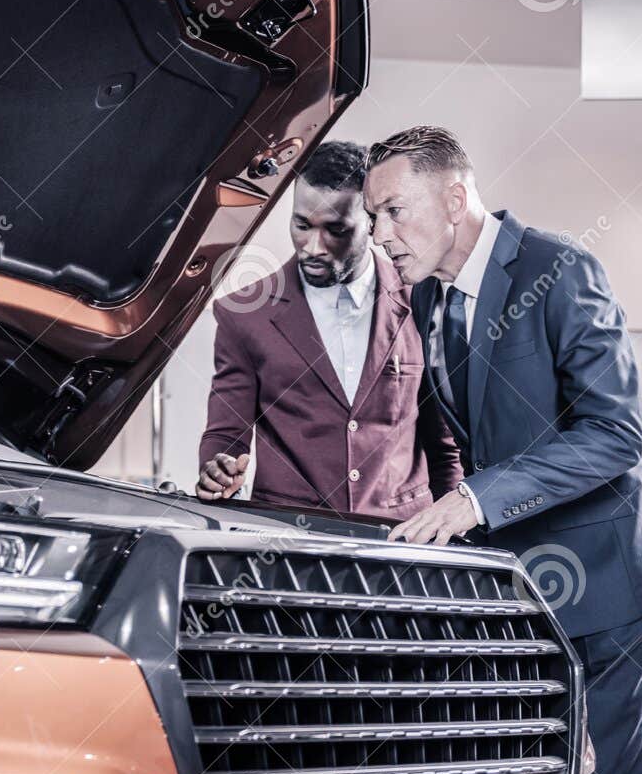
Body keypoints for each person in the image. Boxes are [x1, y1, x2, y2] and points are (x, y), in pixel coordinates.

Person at [363, 125, 642, 774]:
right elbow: (455, 431)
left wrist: (478, 499)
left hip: (608, 578)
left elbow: (617, 435)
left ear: (455, 197)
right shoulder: (429, 293)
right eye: (373, 217)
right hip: (522, 583)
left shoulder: (560, 269)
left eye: (393, 211)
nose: (380, 234)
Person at [196, 140, 461, 521]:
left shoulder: (424, 300)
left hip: (404, 540)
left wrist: (451, 536)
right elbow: (225, 434)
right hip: (288, 539)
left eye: (335, 229)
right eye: (302, 225)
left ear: (372, 224)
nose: (313, 247)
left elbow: (443, 445)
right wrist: (216, 470)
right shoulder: (242, 314)